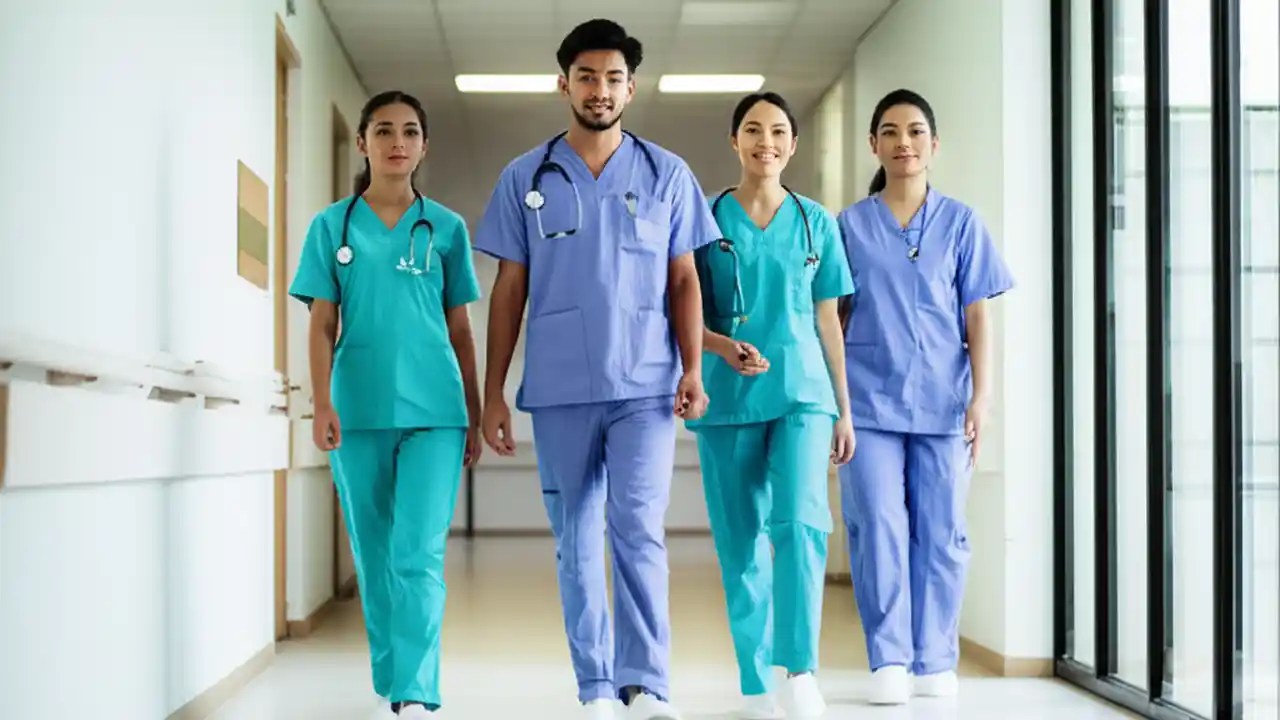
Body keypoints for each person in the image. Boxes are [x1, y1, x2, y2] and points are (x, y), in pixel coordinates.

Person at [473, 18, 718, 720]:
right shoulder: (527, 176)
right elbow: (509, 290)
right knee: (576, 536)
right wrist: (493, 393)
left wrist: (694, 368)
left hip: (646, 383)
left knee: (638, 528)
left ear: (631, 88)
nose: (600, 90)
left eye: (613, 78)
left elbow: (684, 282)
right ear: (564, 84)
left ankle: (649, 683)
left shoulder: (667, 173)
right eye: (587, 76)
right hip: (558, 386)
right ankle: (597, 686)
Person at [288, 90, 483, 719]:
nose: (396, 141)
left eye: (409, 131)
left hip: (436, 412)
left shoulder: (446, 228)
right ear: (365, 142)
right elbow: (321, 325)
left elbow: (461, 330)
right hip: (358, 407)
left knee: (417, 554)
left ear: (424, 145)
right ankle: (391, 685)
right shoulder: (332, 226)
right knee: (374, 556)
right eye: (383, 130)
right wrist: (321, 404)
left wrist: (477, 413)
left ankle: (417, 696)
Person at [835, 88, 1015, 705]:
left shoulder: (963, 223)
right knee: (877, 527)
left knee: (941, 532)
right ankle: (889, 657)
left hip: (944, 403)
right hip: (869, 403)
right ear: (874, 145)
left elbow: (978, 317)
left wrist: (982, 398)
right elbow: (832, 316)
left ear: (934, 145)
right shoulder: (851, 226)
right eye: (890, 131)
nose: (903, 142)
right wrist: (839, 404)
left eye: (915, 132)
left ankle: (935, 659)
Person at [688, 91, 857, 720]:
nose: (767, 141)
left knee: (802, 525)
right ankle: (759, 678)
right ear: (734, 142)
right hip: (726, 398)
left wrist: (844, 409)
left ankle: (801, 669)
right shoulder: (703, 221)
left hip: (803, 395)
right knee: (740, 542)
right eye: (753, 130)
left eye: (779, 131)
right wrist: (718, 346)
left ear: (793, 144)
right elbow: (681, 311)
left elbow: (827, 321)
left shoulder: (818, 223)